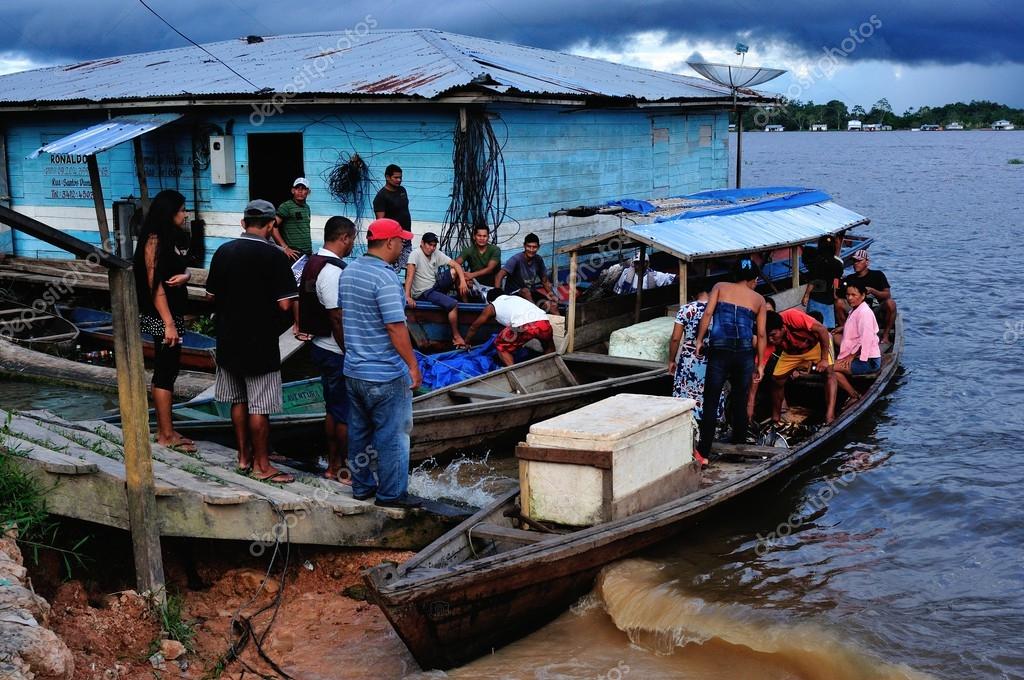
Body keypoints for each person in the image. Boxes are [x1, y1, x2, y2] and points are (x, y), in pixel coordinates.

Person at [206, 200, 299, 483]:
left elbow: (211, 296)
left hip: (228, 338)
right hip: (260, 341)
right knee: (260, 406)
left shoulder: (223, 251)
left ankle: (243, 458)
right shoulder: (275, 257)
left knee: (238, 401)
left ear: (244, 223)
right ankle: (262, 466)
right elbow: (285, 306)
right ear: (271, 225)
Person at [339, 218, 423, 509]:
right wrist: (413, 365)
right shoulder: (385, 278)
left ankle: (361, 487)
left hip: (354, 370)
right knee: (393, 436)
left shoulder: (350, 271)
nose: (403, 246)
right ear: (389, 243)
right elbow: (395, 328)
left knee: (359, 433)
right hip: (385, 374)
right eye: (401, 241)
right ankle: (392, 495)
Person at [133, 189, 194, 452]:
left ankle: (167, 429)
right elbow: (153, 284)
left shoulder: (169, 238)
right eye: (181, 210)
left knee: (170, 368)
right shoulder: (154, 240)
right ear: (170, 212)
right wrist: (168, 322)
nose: (185, 214)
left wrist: (187, 277)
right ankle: (165, 434)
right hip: (163, 314)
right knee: (166, 370)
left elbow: (177, 269)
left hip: (171, 313)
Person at [693, 258, 768, 466]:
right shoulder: (759, 300)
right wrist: (760, 364)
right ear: (753, 279)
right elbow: (761, 335)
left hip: (719, 349)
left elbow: (708, 313)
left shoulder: (720, 287)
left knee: (711, 400)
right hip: (744, 352)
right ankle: (738, 450)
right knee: (739, 400)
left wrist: (699, 340)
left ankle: (703, 453)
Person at [298, 216, 356, 482]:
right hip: (335, 349)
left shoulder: (312, 263)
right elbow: (337, 317)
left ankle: (333, 466)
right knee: (343, 412)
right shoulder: (332, 271)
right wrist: (350, 351)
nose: (353, 244)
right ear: (344, 238)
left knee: (333, 409)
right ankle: (341, 468)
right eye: (353, 238)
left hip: (320, 345)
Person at [765, 307, 838, 425]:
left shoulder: (792, 316)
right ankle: (776, 417)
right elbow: (759, 367)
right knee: (776, 379)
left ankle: (830, 415)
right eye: (768, 336)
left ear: (783, 328)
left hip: (815, 345)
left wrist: (824, 359)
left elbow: (822, 330)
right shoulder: (768, 337)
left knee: (829, 373)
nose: (770, 339)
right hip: (791, 353)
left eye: (773, 335)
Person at [667, 289, 725, 426]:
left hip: (689, 360)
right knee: (710, 393)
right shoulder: (719, 309)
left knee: (686, 394)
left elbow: (675, 339)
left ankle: (687, 427)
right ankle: (710, 430)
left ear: (693, 295)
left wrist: (671, 360)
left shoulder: (686, 309)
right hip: (712, 357)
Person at [404, 232, 470, 348]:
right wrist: (408, 296)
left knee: (456, 272)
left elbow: (456, 265)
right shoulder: (415, 254)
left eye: (434, 245)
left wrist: (463, 282)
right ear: (422, 243)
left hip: (434, 287)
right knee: (453, 304)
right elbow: (409, 276)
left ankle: (466, 304)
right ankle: (456, 336)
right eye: (429, 245)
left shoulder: (436, 253)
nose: (432, 248)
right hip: (423, 292)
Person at [464, 288, 556, 366]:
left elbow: (474, 327)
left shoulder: (492, 306)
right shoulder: (515, 298)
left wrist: (467, 342)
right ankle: (551, 367)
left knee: (500, 345)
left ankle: (514, 374)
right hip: (544, 320)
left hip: (524, 325)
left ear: (490, 301)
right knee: (549, 344)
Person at [832, 280, 882, 406]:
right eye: (848, 295)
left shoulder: (865, 313)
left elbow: (866, 339)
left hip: (868, 361)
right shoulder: (855, 310)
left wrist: (851, 356)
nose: (849, 298)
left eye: (854, 295)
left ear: (863, 295)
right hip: (860, 356)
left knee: (829, 369)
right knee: (831, 366)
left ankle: (853, 395)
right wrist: (843, 327)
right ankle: (852, 392)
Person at [841, 249, 896, 348]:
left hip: (874, 309)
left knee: (891, 303)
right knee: (838, 303)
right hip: (855, 311)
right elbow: (842, 296)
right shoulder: (849, 278)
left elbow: (887, 295)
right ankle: (846, 333)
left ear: (867, 262)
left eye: (859, 261)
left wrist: (873, 291)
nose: (856, 264)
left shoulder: (878, 275)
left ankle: (885, 336)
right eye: (854, 261)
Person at [494, 233, 558, 313]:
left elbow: (545, 281)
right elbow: (499, 275)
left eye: (534, 247)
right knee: (525, 291)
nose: (531, 250)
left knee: (551, 305)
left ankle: (560, 324)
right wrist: (498, 297)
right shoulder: (516, 259)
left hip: (530, 293)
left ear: (538, 247)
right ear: (524, 246)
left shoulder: (538, 260)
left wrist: (553, 296)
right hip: (514, 295)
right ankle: (535, 313)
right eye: (529, 246)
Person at [373, 164, 413, 273]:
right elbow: (380, 223)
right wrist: (389, 241)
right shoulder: (381, 197)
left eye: (400, 177)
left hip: (406, 236)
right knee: (391, 269)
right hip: (393, 239)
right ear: (387, 177)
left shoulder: (402, 190)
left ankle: (406, 290)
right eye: (395, 177)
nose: (399, 180)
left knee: (409, 266)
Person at [801, 235, 844, 328]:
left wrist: (806, 295)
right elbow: (836, 279)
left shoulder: (817, 261)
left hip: (817, 296)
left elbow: (813, 280)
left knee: (813, 326)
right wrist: (835, 292)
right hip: (828, 298)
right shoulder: (838, 263)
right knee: (828, 327)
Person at [454, 224, 501, 297]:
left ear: (488, 237)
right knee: (458, 276)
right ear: (474, 236)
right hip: (475, 284)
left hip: (492, 286)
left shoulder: (495, 250)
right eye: (479, 236)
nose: (482, 238)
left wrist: (471, 275)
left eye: (484, 236)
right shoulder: (468, 250)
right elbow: (455, 264)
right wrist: (464, 278)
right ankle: (466, 306)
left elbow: (490, 269)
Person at [272, 177, 312, 260]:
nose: (300, 191)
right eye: (297, 188)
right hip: (294, 253)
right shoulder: (286, 206)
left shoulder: (307, 207)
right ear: (293, 191)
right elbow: (272, 226)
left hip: (307, 252)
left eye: (303, 189)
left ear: (308, 192)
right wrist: (285, 248)